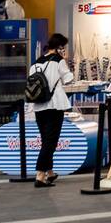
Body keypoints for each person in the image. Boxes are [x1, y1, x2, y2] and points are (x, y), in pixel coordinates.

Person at [26, 33, 74, 187]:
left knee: (46, 139)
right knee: (50, 141)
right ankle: (40, 175)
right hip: (54, 105)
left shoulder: (35, 63)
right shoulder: (58, 61)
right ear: (60, 48)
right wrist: (65, 63)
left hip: (38, 105)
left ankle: (50, 173)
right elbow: (68, 79)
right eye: (63, 48)